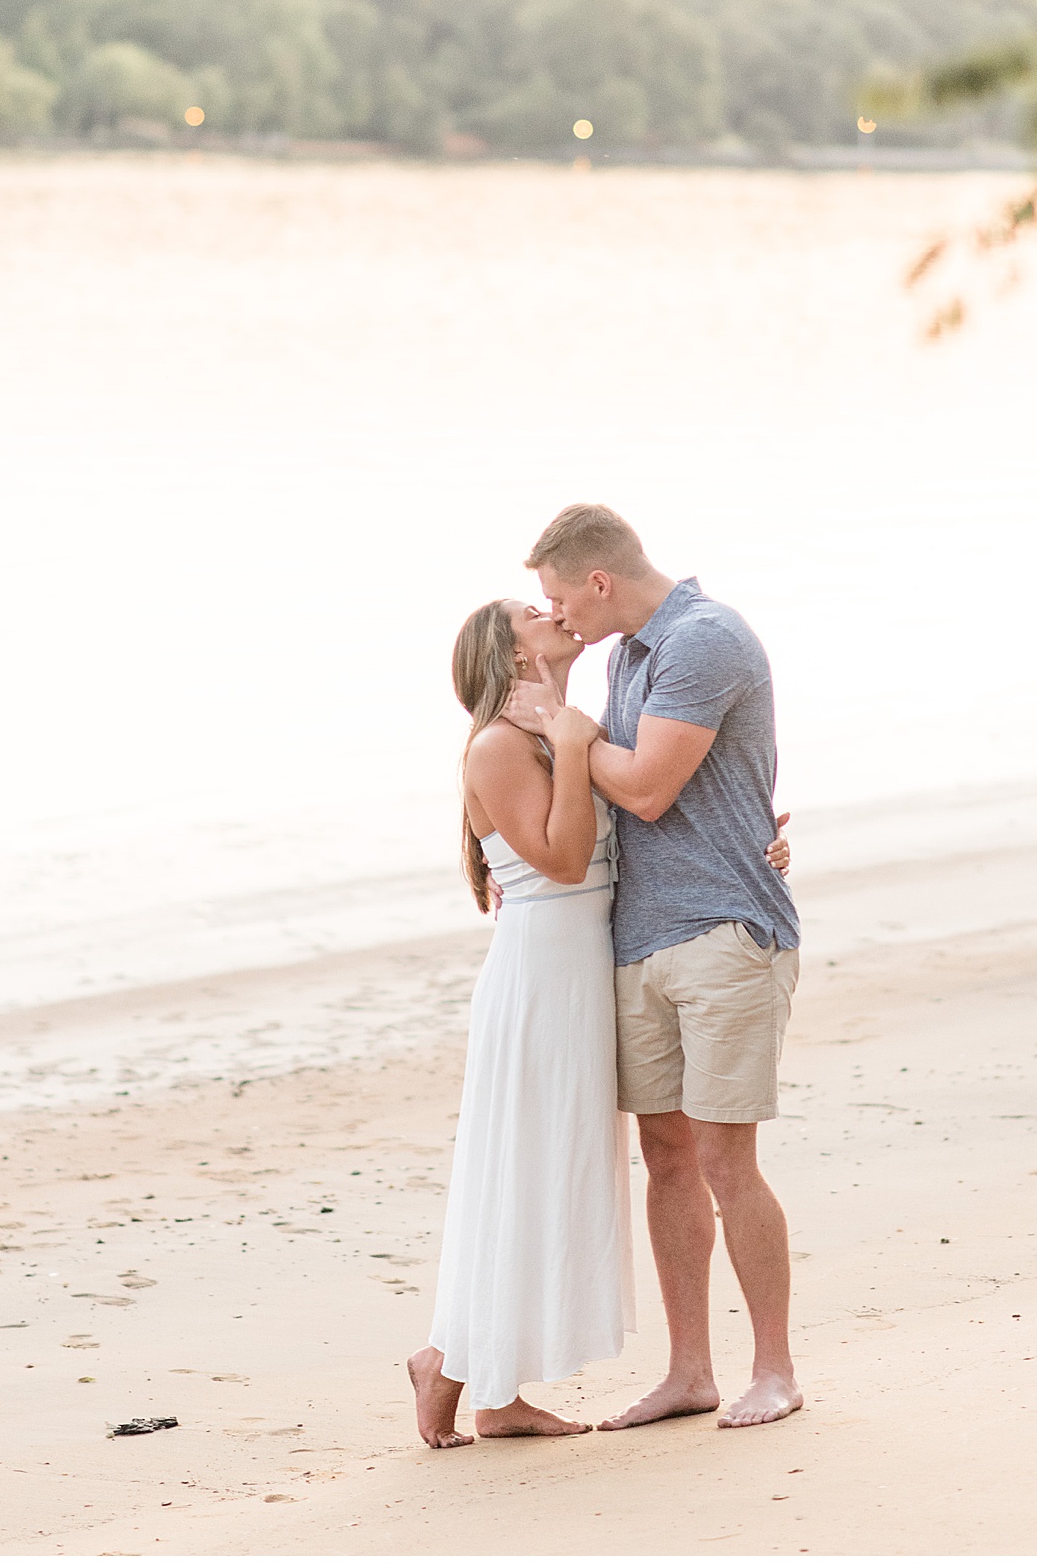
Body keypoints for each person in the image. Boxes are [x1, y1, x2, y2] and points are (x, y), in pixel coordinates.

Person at [507, 503, 803, 1432]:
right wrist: (563, 705)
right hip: (640, 938)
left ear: (599, 581)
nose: (555, 615)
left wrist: (570, 731)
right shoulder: (628, 653)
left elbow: (644, 787)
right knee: (666, 1155)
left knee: (725, 1156)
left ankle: (776, 1370)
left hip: (723, 931)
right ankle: (689, 1372)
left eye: (559, 598)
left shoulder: (704, 639)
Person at [407, 596, 633, 1446]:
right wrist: (574, 745)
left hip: (576, 974)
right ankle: (452, 1364)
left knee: (548, 1175)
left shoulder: (552, 733)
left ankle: (497, 1391)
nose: (556, 612)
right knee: (520, 1173)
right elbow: (566, 859)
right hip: (540, 982)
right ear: (507, 653)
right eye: (534, 611)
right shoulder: (505, 745)